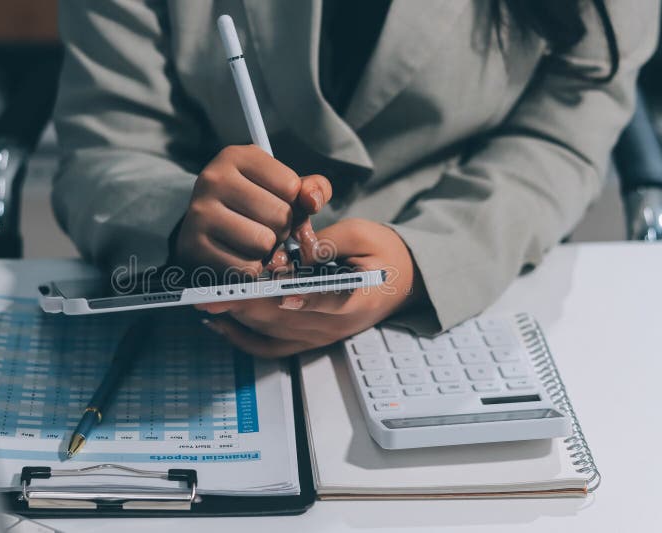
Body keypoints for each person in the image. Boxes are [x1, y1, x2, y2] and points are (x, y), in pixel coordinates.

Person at [52, 0, 658, 357]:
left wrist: (423, 262)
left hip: (448, 313)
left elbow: (560, 133)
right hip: (202, 326)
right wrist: (181, 220)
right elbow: (109, 144)